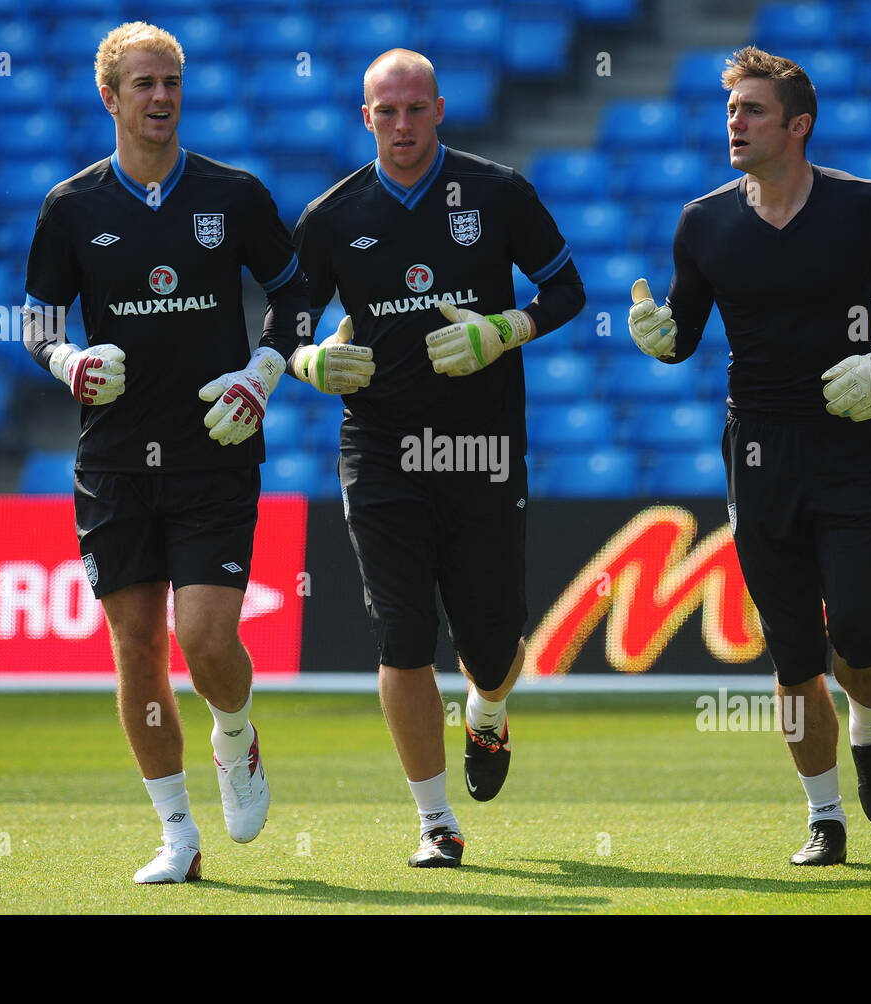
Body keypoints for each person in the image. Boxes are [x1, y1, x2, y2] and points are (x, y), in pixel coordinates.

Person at [629, 46, 871, 866]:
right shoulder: (702, 221)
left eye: (753, 110)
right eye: (731, 110)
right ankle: (823, 816)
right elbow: (684, 335)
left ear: (797, 126)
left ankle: (868, 725)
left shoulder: (864, 207)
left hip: (848, 442)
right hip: (758, 449)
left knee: (862, 637)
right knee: (793, 649)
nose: (735, 121)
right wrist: (660, 340)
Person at [20, 22, 309, 884]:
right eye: (144, 84)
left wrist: (262, 373)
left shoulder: (236, 194)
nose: (161, 97)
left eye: (172, 82)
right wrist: (67, 359)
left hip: (213, 452)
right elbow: (37, 320)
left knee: (206, 639)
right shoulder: (71, 207)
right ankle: (178, 836)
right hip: (111, 461)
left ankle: (235, 733)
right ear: (109, 97)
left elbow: (294, 300)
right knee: (137, 647)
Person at [290, 49, 584, 867]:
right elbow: (289, 323)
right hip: (380, 447)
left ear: (441, 109)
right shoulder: (331, 216)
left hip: (482, 445)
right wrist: (309, 359)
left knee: (492, 642)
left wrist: (508, 328)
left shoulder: (497, 192)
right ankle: (435, 822)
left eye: (416, 109)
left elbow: (567, 290)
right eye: (387, 112)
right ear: (366, 118)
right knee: (403, 633)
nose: (403, 125)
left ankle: (487, 712)